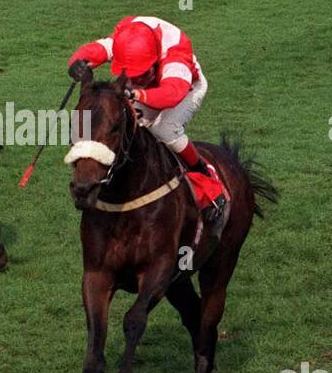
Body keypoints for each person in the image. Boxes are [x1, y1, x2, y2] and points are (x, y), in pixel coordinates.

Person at [66, 15, 227, 221]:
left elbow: (171, 94)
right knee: (125, 123)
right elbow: (96, 50)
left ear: (154, 61)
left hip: (185, 88)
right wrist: (76, 63)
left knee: (164, 129)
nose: (133, 82)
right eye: (130, 76)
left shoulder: (175, 57)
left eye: (139, 75)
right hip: (154, 84)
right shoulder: (127, 41)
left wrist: (137, 94)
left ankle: (205, 175)